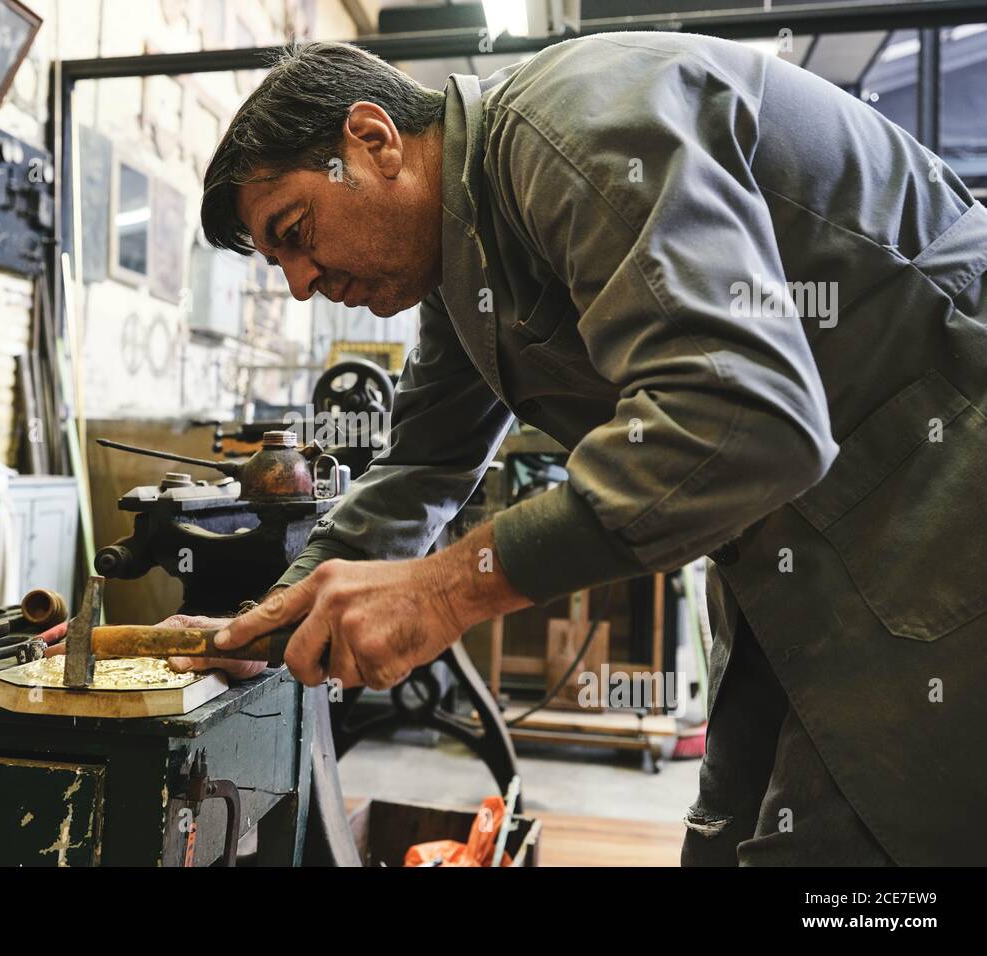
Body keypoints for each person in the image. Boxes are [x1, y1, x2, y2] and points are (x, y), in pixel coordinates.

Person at [166, 34, 987, 865]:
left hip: (941, 474)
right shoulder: (459, 261)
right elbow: (424, 465)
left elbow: (742, 415)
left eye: (297, 232)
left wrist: (445, 591)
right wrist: (259, 625)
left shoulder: (568, 130)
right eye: (279, 263)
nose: (301, 284)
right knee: (732, 840)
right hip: (799, 535)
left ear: (373, 141)